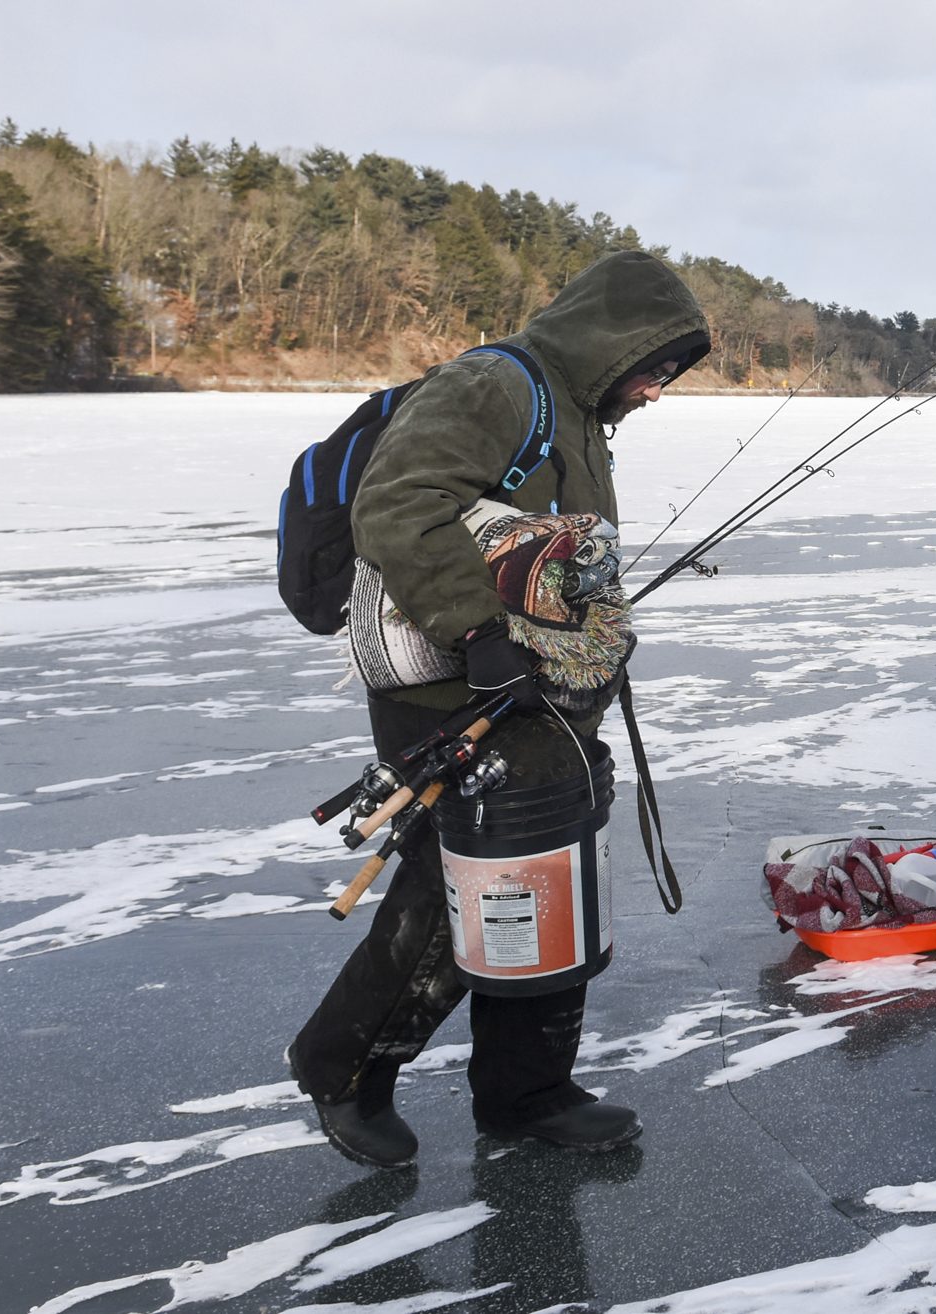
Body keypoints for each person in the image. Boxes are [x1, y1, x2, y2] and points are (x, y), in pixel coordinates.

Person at [289, 251, 711, 1168]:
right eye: (654, 366)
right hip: (452, 687)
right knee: (459, 896)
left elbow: (548, 551)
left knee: (548, 877)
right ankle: (342, 1065)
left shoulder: (578, 413)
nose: (656, 389)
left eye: (669, 376)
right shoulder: (496, 385)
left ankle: (526, 1093)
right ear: (612, 341)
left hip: (538, 690)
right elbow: (397, 507)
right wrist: (481, 635)